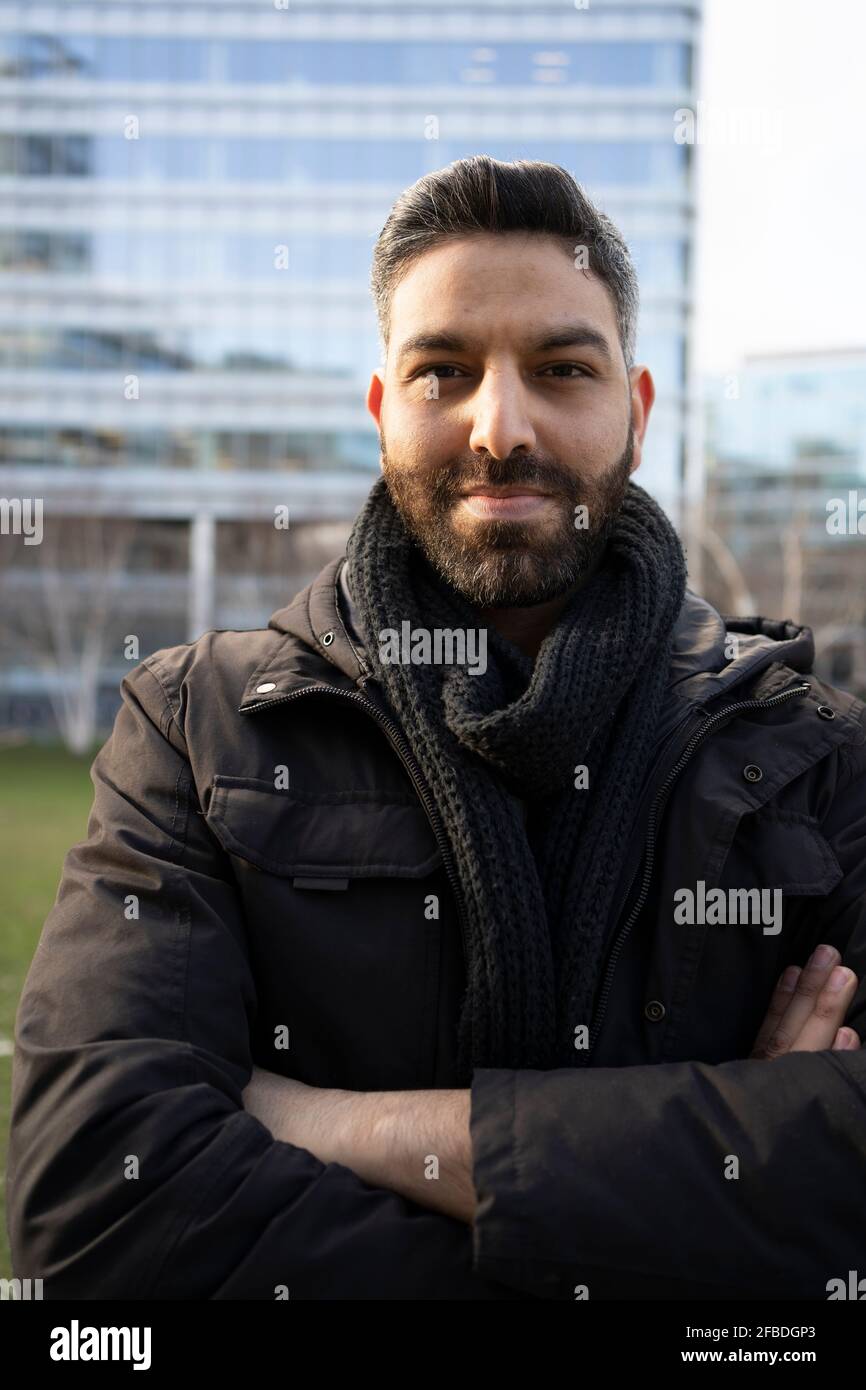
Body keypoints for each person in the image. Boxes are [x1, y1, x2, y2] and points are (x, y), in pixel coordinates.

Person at [7, 157, 866, 1301]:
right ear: (380, 411)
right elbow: (95, 1210)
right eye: (442, 371)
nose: (498, 427)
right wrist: (714, 1201)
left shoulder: (818, 753)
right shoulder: (195, 725)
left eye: (561, 367)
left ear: (638, 410)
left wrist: (329, 1126)